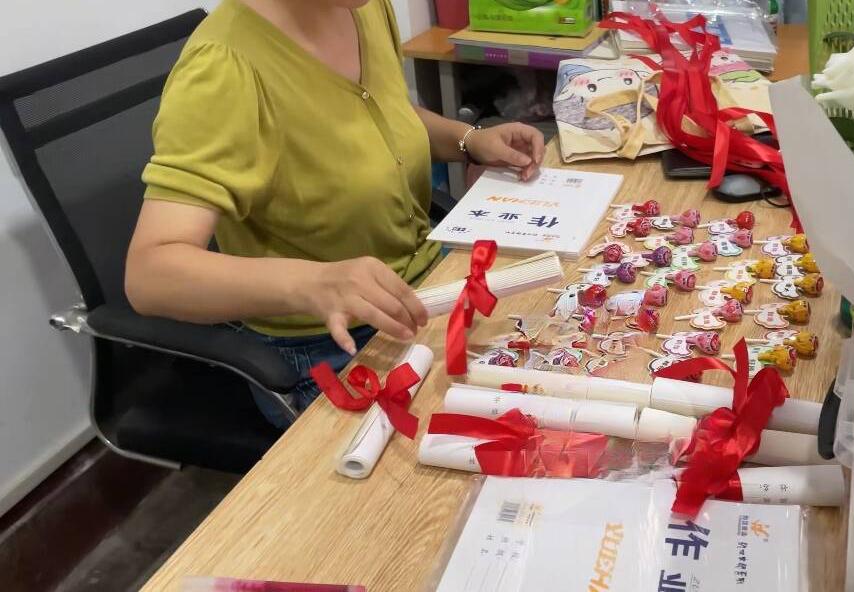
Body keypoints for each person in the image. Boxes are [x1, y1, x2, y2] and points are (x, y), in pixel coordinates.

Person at [125, 0, 545, 427]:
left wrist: (468, 139)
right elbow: (150, 274)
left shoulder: (363, 7)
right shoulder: (223, 66)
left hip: (424, 290)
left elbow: (383, 116)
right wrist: (317, 282)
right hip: (329, 349)